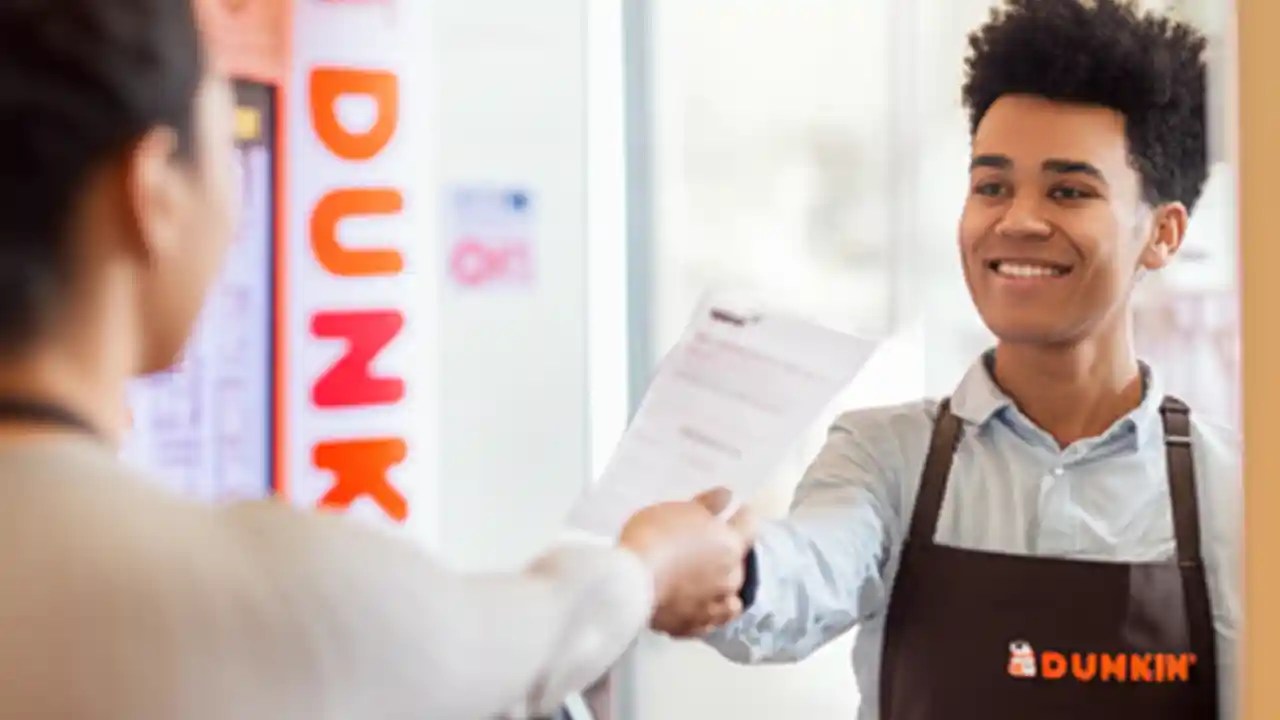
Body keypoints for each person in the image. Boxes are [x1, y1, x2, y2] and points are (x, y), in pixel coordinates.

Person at [0, 2, 752, 718]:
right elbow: (519, 636)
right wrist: (651, 567)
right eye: (225, 147)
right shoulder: (260, 602)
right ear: (153, 190)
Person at [649, 1, 1241, 718]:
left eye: (1068, 191)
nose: (1017, 220)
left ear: (1164, 234)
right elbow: (810, 564)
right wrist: (734, 570)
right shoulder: (886, 458)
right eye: (992, 186)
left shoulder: (1233, 492)